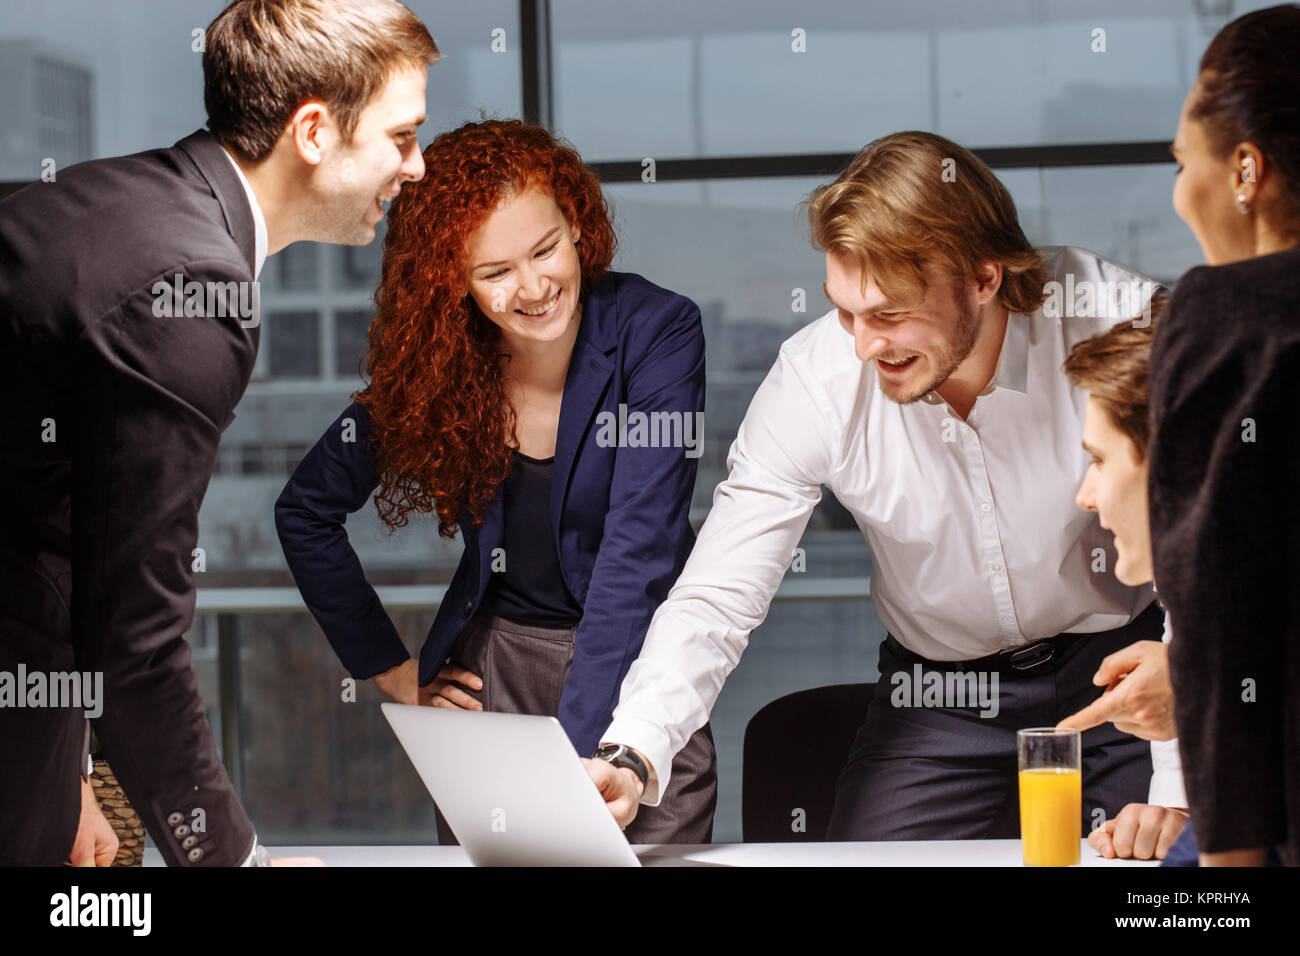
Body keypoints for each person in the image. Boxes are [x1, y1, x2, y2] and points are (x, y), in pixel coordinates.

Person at [588, 130, 1167, 841]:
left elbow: (1204, 528)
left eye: (889, 315)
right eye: (844, 310)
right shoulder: (817, 377)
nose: (864, 346)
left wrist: (1182, 746)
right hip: (940, 699)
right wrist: (633, 750)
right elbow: (720, 590)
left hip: (1122, 672)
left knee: (1163, 866)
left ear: (984, 278)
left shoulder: (1112, 319)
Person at [0, 0, 437, 867]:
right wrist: (240, 864)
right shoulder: (194, 288)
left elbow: (57, 525)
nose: (416, 168)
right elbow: (138, 638)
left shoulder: (114, 198)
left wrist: (69, 769)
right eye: (402, 136)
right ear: (314, 131)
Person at [274, 120, 718, 845]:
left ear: (576, 225)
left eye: (545, 249)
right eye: (495, 272)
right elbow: (305, 512)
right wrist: (393, 671)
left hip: (641, 670)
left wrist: (574, 762)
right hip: (492, 679)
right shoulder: (442, 361)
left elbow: (636, 554)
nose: (535, 287)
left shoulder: (657, 330)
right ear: (453, 280)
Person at [1147, 3, 1300, 867]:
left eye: (1181, 163)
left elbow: (1215, 608)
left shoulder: (1225, 318)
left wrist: (1226, 873)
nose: (1179, 195)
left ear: (1246, 168)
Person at [1063, 299, 1192, 862]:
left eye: (1100, 460)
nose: (1085, 498)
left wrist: (1201, 689)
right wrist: (1183, 811)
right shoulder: (1190, 583)